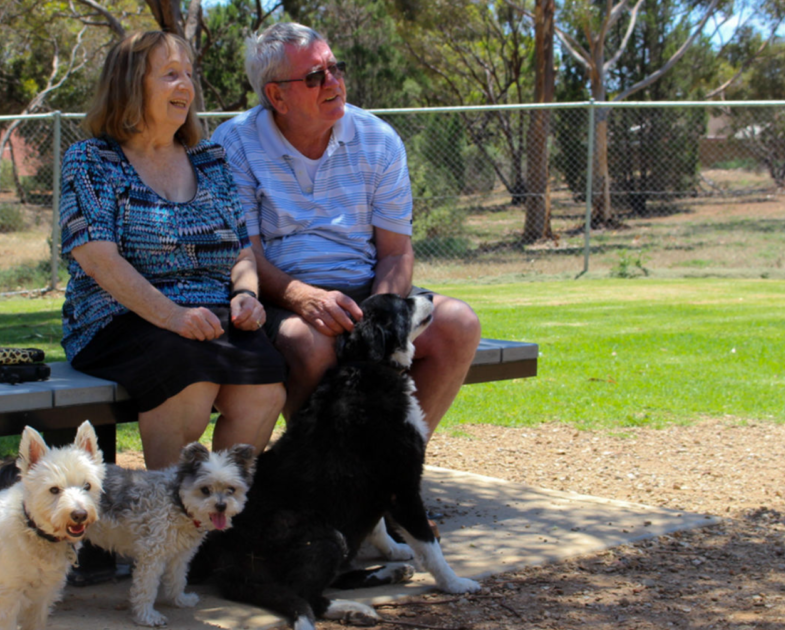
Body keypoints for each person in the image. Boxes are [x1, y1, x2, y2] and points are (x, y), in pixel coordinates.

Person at [211, 23, 481, 439]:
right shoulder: (234, 143)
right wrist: (304, 298)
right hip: (281, 301)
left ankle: (393, 465)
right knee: (310, 343)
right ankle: (322, 477)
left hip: (364, 294)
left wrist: (379, 315)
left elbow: (395, 252)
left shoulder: (378, 140)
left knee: (458, 324)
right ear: (276, 96)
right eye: (315, 77)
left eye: (335, 68)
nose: (333, 82)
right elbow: (245, 256)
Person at [60, 30, 285, 472]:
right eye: (169, 75)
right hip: (117, 318)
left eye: (188, 75)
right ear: (130, 84)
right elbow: (96, 257)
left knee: (266, 381)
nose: (186, 86)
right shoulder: (91, 160)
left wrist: (246, 295)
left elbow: (241, 252)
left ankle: (219, 512)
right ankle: (169, 518)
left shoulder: (209, 159)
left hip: (207, 317)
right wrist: (172, 316)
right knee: (188, 374)